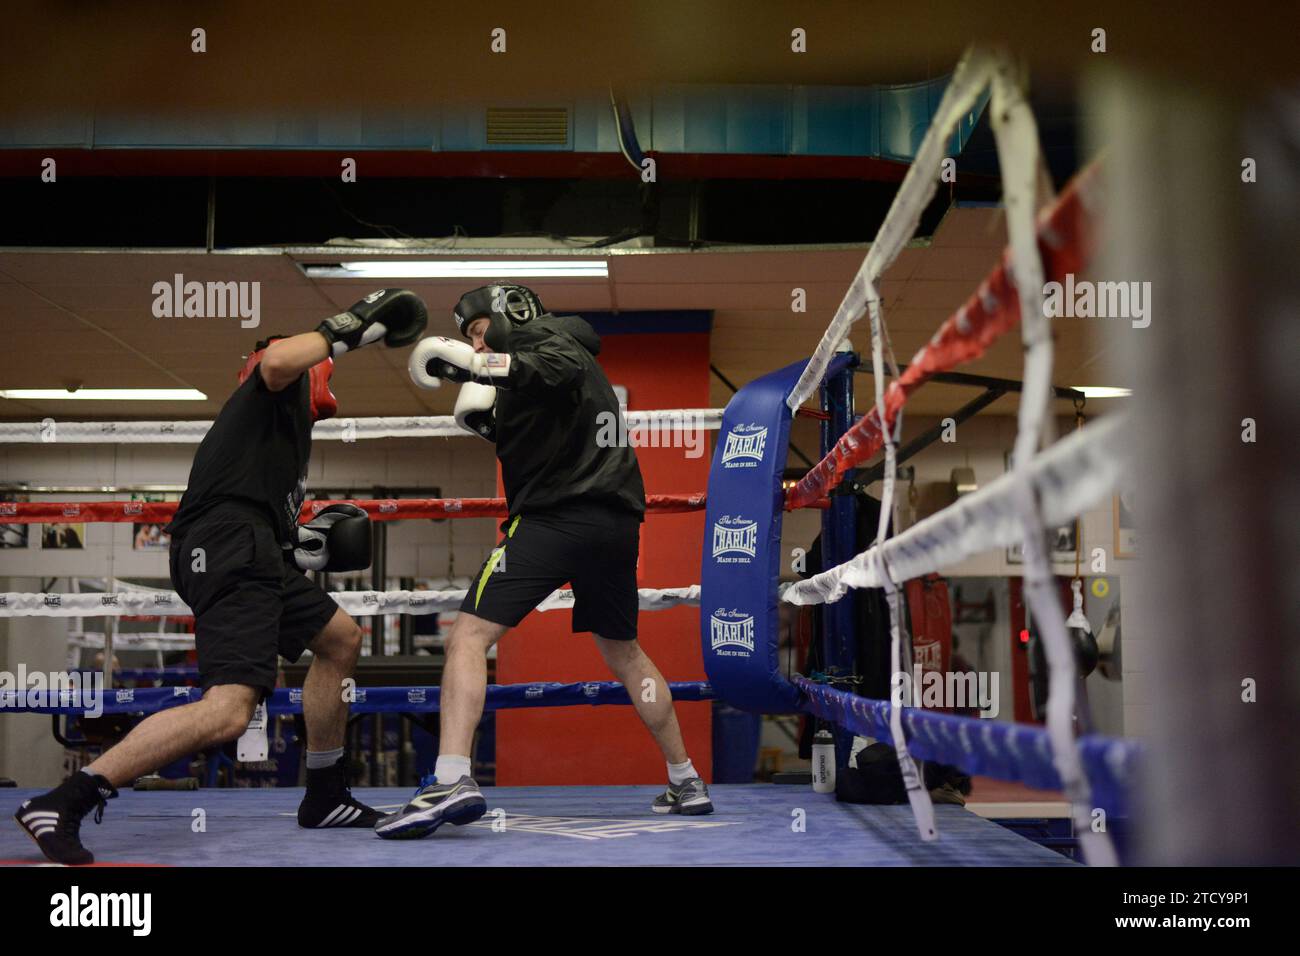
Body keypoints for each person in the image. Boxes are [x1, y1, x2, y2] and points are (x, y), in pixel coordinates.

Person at [14, 289, 427, 864]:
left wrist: (298, 544)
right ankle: (64, 800)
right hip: (231, 546)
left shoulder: (283, 439)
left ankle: (326, 793)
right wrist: (355, 325)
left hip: (255, 549)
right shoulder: (270, 387)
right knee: (230, 709)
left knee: (341, 638)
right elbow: (279, 360)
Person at [377, 284, 712, 839]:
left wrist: (472, 363)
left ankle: (453, 776)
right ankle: (686, 780)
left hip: (555, 520)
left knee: (467, 637)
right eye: (471, 340)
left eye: (480, 331)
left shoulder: (548, 342)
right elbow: (538, 413)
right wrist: (491, 417)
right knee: (625, 652)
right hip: (615, 526)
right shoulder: (553, 363)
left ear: (512, 314)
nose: (477, 345)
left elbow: (544, 367)